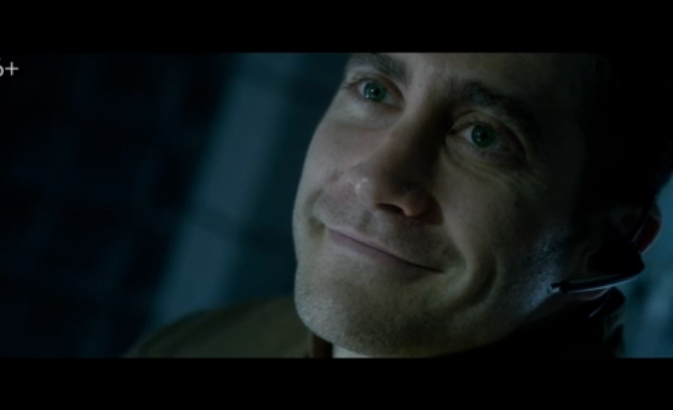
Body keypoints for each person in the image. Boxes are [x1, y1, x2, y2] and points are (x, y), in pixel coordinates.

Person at [127, 53, 672, 358]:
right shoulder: (197, 346)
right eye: (375, 91)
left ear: (609, 244)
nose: (374, 181)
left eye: (483, 136)